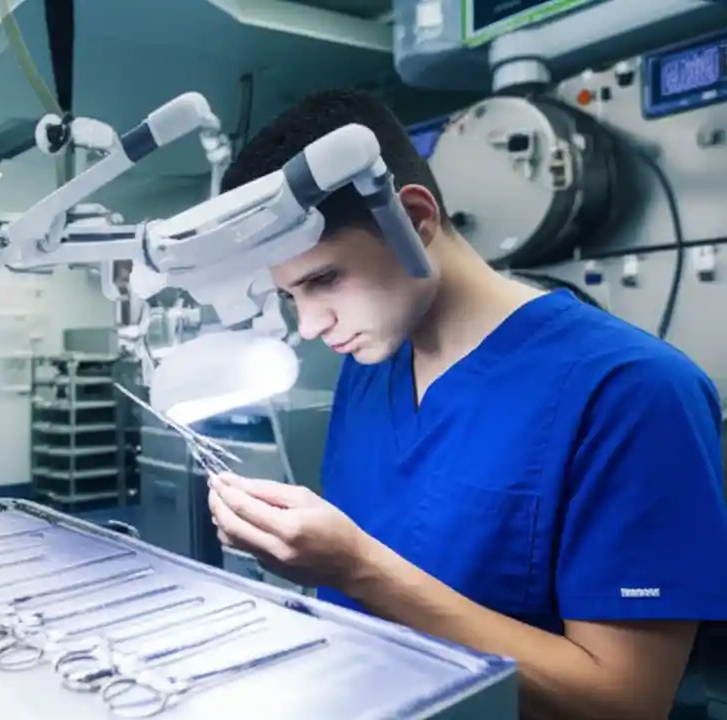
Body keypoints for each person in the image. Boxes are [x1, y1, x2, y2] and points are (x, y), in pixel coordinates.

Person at [206, 89, 727, 719]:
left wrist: (357, 568)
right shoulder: (371, 366)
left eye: (323, 280)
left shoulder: (632, 393)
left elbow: (622, 702)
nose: (310, 325)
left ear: (416, 220)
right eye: (290, 297)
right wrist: (298, 555)